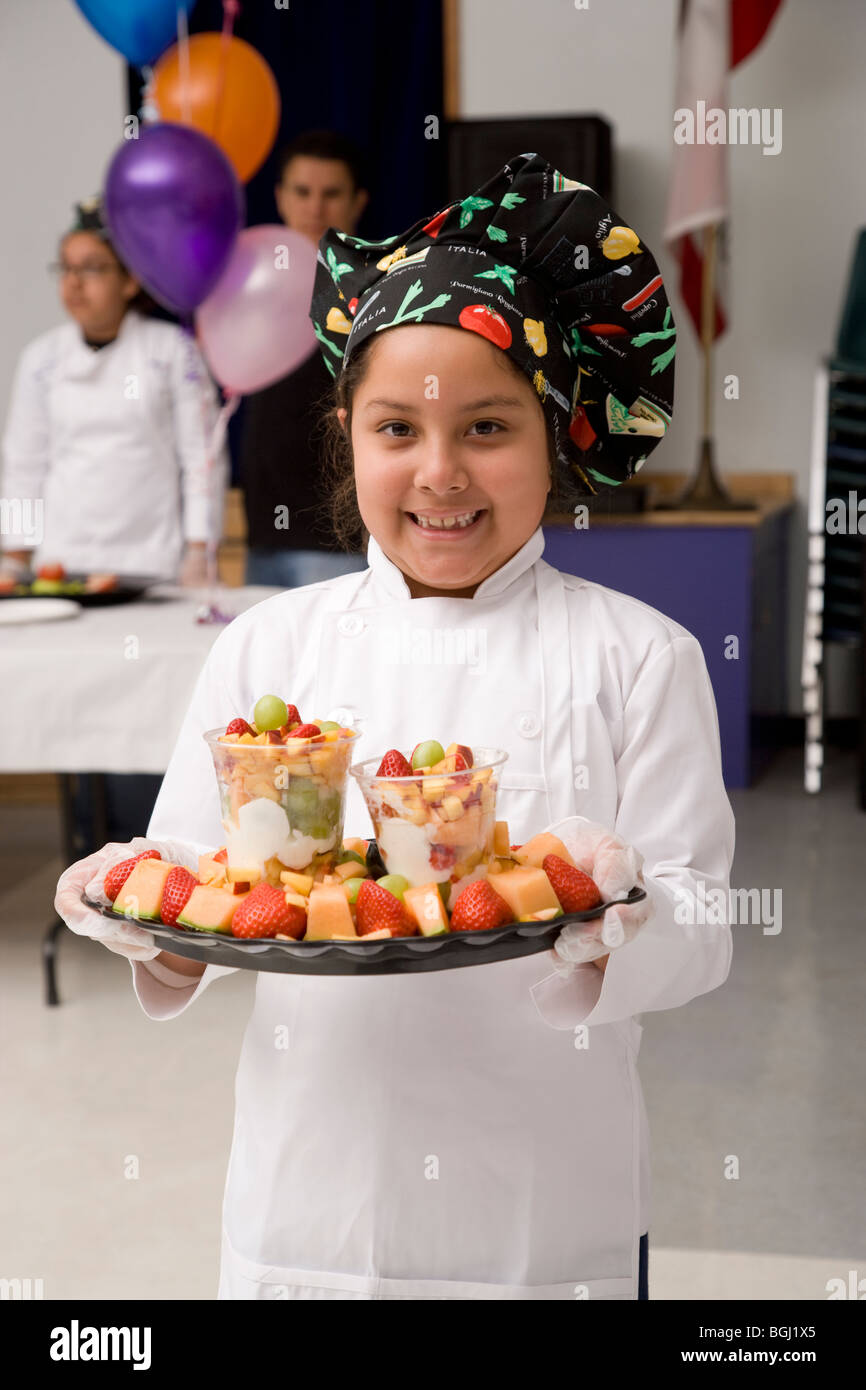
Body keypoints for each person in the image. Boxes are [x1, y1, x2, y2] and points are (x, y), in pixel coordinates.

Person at [56, 153, 735, 1301]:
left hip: (544, 1207)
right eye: (394, 430)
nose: (438, 475)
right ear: (346, 434)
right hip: (308, 1204)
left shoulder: (639, 655)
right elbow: (194, 883)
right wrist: (143, 917)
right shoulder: (268, 647)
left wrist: (620, 917)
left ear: (558, 427)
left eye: (485, 426)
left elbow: (706, 918)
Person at [0, 197, 228, 587]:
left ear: (129, 279)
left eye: (91, 268)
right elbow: (24, 465)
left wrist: (199, 550)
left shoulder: (174, 349)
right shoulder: (40, 358)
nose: (74, 282)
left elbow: (201, 459)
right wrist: (14, 555)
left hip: (152, 567)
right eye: (66, 268)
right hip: (61, 566)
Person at [239, 131, 369, 588]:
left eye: (331, 194)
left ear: (358, 202)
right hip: (261, 536)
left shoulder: (379, 290)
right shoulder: (245, 285)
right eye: (302, 192)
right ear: (280, 198)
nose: (316, 208)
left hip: (340, 543)